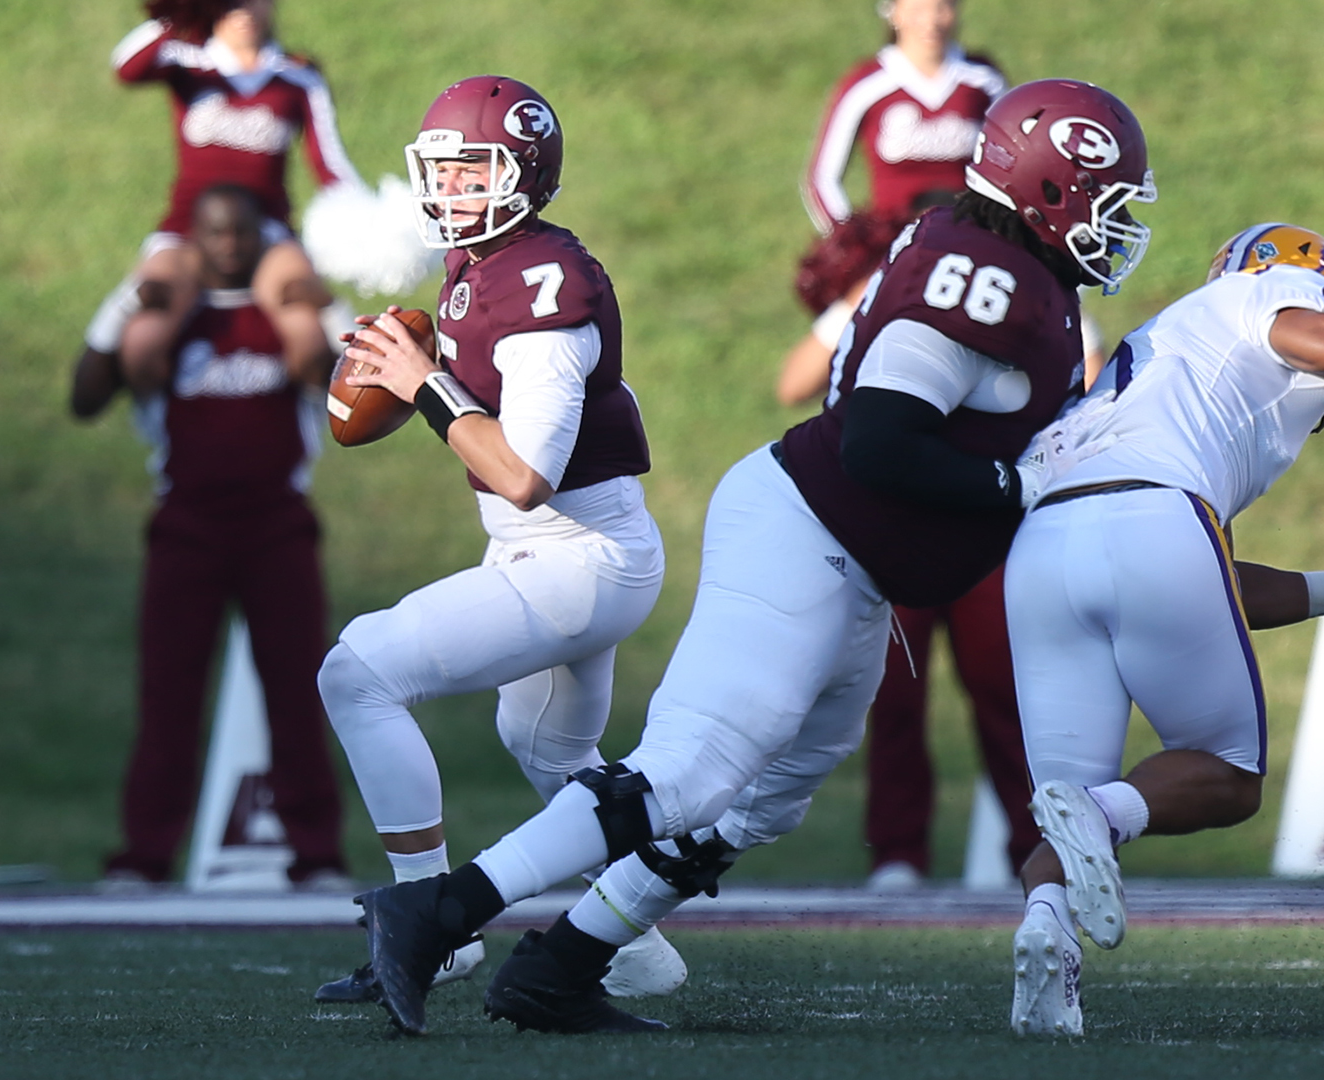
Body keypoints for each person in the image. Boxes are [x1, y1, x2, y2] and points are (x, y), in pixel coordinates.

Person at [341, 78, 1157, 1037]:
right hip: (808, 529)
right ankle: (438, 909)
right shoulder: (984, 275)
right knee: (687, 773)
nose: (1116, 223)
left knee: (761, 801)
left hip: (856, 563)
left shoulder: (1005, 267)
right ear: (1052, 189)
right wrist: (1020, 489)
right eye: (1107, 199)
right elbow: (883, 439)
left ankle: (563, 965)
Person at [312, 76, 684, 1003]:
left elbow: (523, 473)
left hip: (574, 556)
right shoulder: (491, 262)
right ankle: (629, 944)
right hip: (568, 553)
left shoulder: (540, 288)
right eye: (441, 171)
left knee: (356, 674)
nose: (452, 191)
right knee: (552, 753)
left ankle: (425, 925)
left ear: (525, 172)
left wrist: (426, 385)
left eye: (472, 172)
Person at [1004, 223, 1324, 1036]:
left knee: (1072, 798)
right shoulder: (1269, 291)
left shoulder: (1160, 362)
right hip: (1155, 522)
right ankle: (1105, 822)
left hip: (1042, 549)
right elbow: (1306, 335)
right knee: (1226, 774)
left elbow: (1216, 587)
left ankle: (1047, 937)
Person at [779, 2, 1037, 889]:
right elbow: (822, 187)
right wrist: (869, 270)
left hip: (978, 496)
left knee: (1010, 689)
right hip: (902, 491)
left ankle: (1038, 849)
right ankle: (898, 848)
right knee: (894, 685)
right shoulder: (869, 87)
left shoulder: (986, 83)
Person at [72, 184, 348, 888]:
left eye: (242, 234)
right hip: (186, 528)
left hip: (277, 525)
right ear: (192, 241)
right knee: (168, 697)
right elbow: (84, 397)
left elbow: (355, 374)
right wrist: (124, 303)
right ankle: (145, 853)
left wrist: (322, 300)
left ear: (264, 238)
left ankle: (316, 853)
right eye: (214, 234)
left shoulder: (288, 315)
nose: (228, 246)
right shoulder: (167, 319)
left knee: (298, 691)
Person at [76, 1, 358, 409]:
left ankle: (294, 424)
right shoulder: (186, 61)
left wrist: (372, 224)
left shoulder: (297, 75)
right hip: (185, 230)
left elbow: (330, 165)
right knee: (141, 344)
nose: (240, 9)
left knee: (308, 337)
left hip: (268, 232)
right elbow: (126, 68)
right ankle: (167, 428)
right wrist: (180, 17)